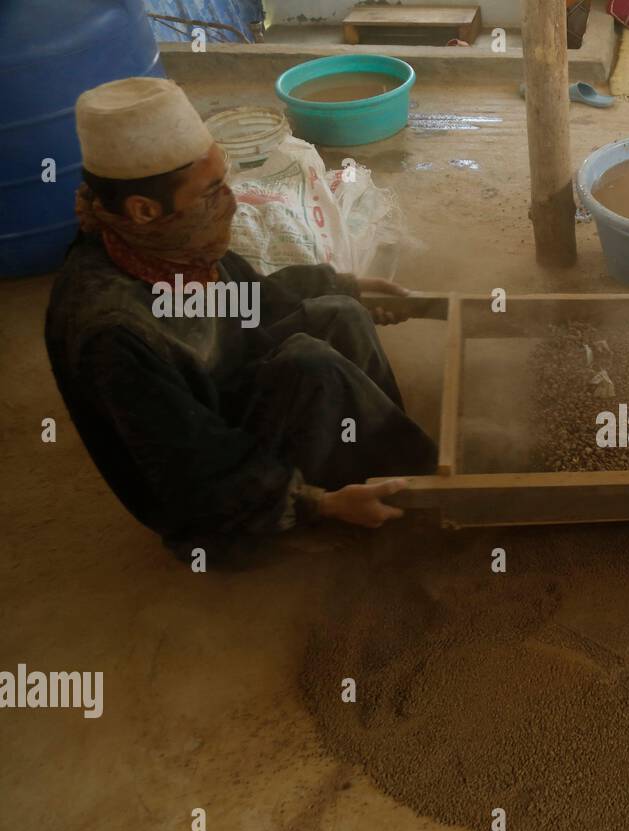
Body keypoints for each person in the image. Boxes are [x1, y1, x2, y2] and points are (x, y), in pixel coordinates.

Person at [45, 77, 438, 559]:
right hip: (212, 495)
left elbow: (255, 298)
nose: (229, 200)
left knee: (340, 315)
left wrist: (342, 285)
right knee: (310, 363)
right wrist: (319, 504)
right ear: (145, 209)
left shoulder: (165, 240)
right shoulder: (111, 331)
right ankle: (399, 492)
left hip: (229, 390)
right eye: (211, 191)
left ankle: (391, 466)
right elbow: (192, 471)